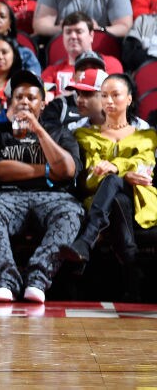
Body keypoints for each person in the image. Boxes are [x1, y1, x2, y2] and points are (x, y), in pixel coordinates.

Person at [0, 70, 83, 303]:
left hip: (52, 196)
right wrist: (46, 170)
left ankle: (38, 279)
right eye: (19, 97)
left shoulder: (59, 133)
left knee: (71, 211)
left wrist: (39, 131)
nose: (24, 101)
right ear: (10, 102)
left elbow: (67, 170)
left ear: (43, 104)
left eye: (31, 98)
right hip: (6, 197)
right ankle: (6, 281)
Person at [60, 74, 155, 299]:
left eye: (115, 95)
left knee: (115, 182)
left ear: (129, 99)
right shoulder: (84, 135)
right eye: (104, 96)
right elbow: (87, 181)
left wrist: (115, 167)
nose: (109, 101)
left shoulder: (148, 136)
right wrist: (107, 173)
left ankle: (86, 240)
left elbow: (144, 169)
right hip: (102, 199)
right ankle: (132, 272)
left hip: (140, 198)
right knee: (116, 194)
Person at [41, 12, 124, 93]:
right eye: (68, 32)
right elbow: (45, 98)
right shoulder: (51, 71)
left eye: (79, 31)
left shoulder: (110, 64)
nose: (73, 36)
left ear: (91, 35)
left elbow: (112, 97)